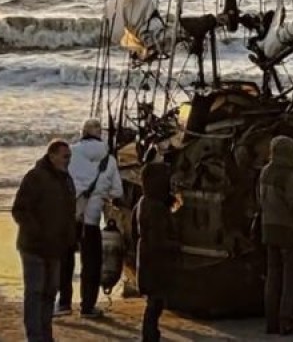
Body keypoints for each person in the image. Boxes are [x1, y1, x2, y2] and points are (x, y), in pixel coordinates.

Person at [13, 139, 78, 342]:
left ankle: (46, 335)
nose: (68, 160)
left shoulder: (66, 180)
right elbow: (19, 210)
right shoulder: (35, 177)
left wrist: (71, 239)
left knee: (50, 292)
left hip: (56, 247)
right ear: (52, 156)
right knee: (35, 292)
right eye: (65, 156)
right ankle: (35, 337)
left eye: (70, 157)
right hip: (34, 246)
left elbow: (69, 213)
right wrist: (37, 232)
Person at [62, 118, 123, 316]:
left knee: (65, 259)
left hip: (72, 215)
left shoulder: (71, 154)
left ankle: (63, 303)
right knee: (92, 263)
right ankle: (87, 306)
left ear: (83, 133)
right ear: (100, 135)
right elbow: (118, 191)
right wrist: (102, 195)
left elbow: (61, 180)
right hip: (92, 219)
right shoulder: (109, 160)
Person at [259, 135, 293, 336]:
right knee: (289, 279)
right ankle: (286, 321)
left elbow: (259, 200)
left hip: (268, 228)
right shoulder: (290, 177)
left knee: (272, 276)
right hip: (289, 231)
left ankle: (271, 322)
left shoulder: (265, 173)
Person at [136, 161, 179, 342]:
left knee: (155, 301)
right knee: (155, 302)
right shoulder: (155, 208)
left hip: (149, 259)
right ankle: (149, 336)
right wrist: (175, 245)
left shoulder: (146, 202)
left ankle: (151, 335)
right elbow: (157, 239)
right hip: (154, 261)